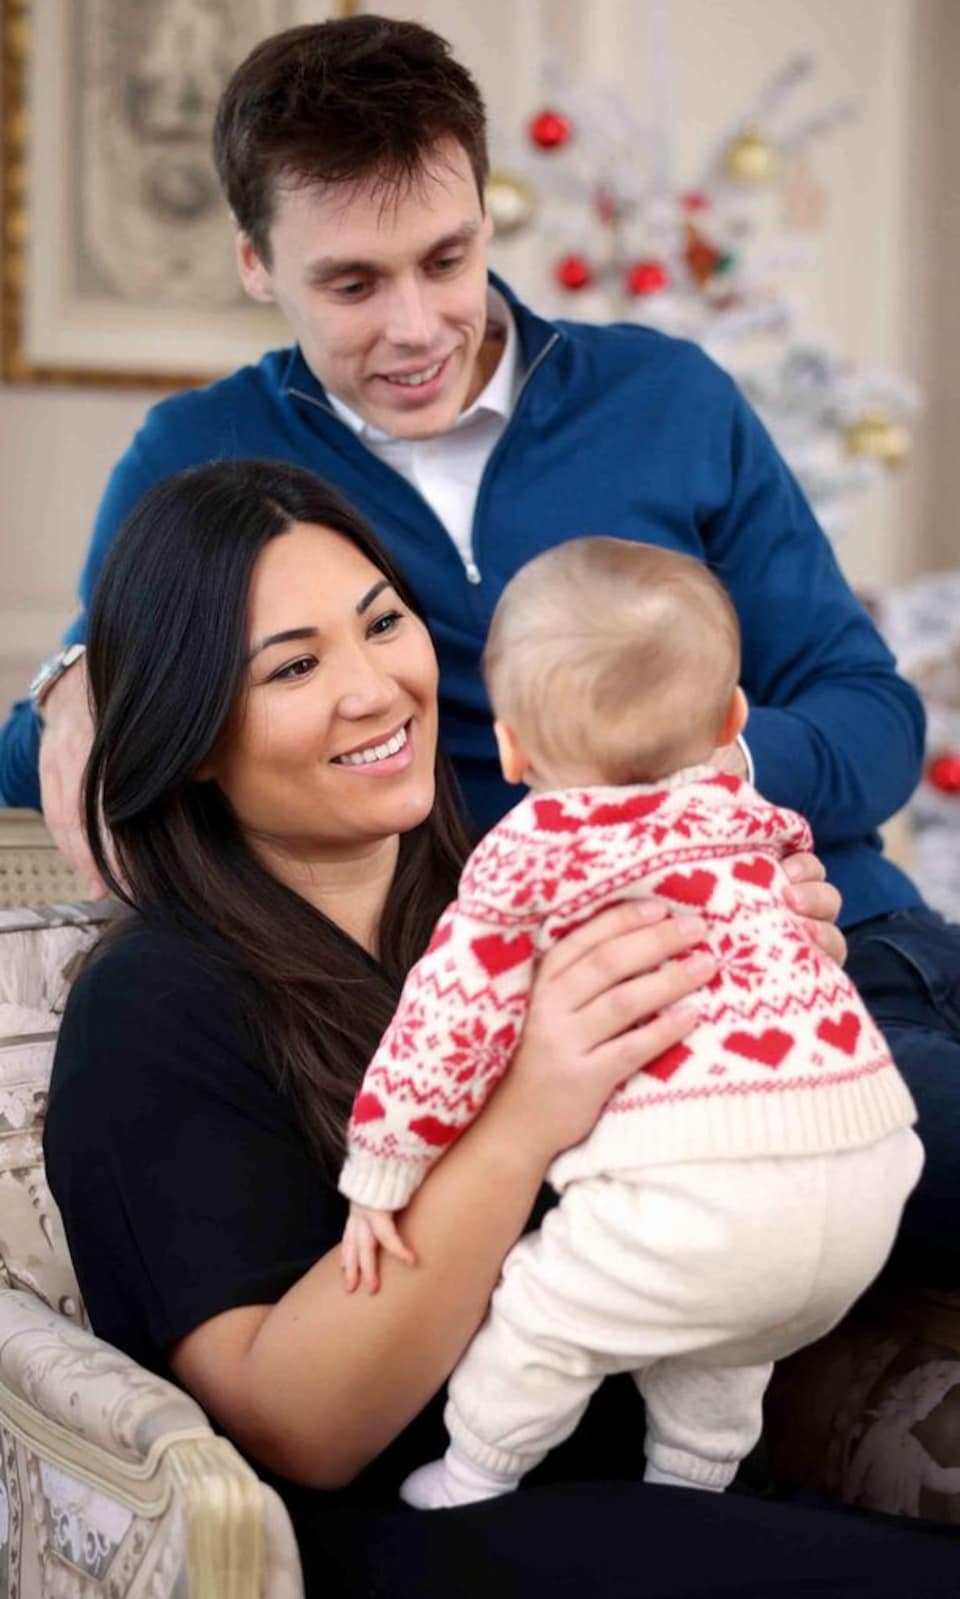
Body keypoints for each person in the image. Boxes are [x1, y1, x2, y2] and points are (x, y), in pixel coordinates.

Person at [5, 14, 957, 1269]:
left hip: (849, 940)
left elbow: (873, 719)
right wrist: (71, 679)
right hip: (627, 1034)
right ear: (254, 261)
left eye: (446, 259)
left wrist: (680, 812)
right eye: (353, 285)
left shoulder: (669, 398)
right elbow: (82, 744)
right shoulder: (200, 456)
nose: (415, 328)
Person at [43, 460, 960, 1597]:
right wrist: (525, 1114)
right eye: (294, 665)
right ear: (190, 736)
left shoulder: (518, 894)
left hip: (666, 1472)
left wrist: (759, 986)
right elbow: (303, 1428)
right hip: (418, 1534)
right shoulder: (153, 1004)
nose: (375, 688)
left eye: (384, 623)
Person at [337, 538, 922, 1511]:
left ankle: (473, 1477)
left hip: (699, 1188)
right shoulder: (749, 816)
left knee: (545, 1312)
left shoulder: (531, 854)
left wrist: (382, 1170)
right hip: (869, 1171)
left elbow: (449, 1020)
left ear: (511, 748)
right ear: (733, 723)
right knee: (723, 1335)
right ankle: (689, 1487)